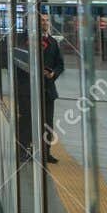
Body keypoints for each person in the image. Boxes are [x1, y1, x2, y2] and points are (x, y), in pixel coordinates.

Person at [38, 13, 64, 163]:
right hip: (30, 90)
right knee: (30, 119)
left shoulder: (54, 42)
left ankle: (46, 152)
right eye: (42, 20)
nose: (45, 23)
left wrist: (53, 73)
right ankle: (27, 150)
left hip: (48, 89)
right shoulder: (29, 41)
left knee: (48, 121)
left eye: (47, 20)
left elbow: (60, 64)